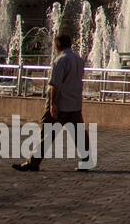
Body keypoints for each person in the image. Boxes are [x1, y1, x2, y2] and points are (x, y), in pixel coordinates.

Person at [13, 33, 87, 172]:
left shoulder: (60, 60)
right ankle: (86, 161)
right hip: (75, 103)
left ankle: (33, 163)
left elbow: (55, 84)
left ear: (57, 45)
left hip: (60, 103)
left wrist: (53, 104)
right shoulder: (79, 60)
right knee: (79, 134)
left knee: (46, 133)